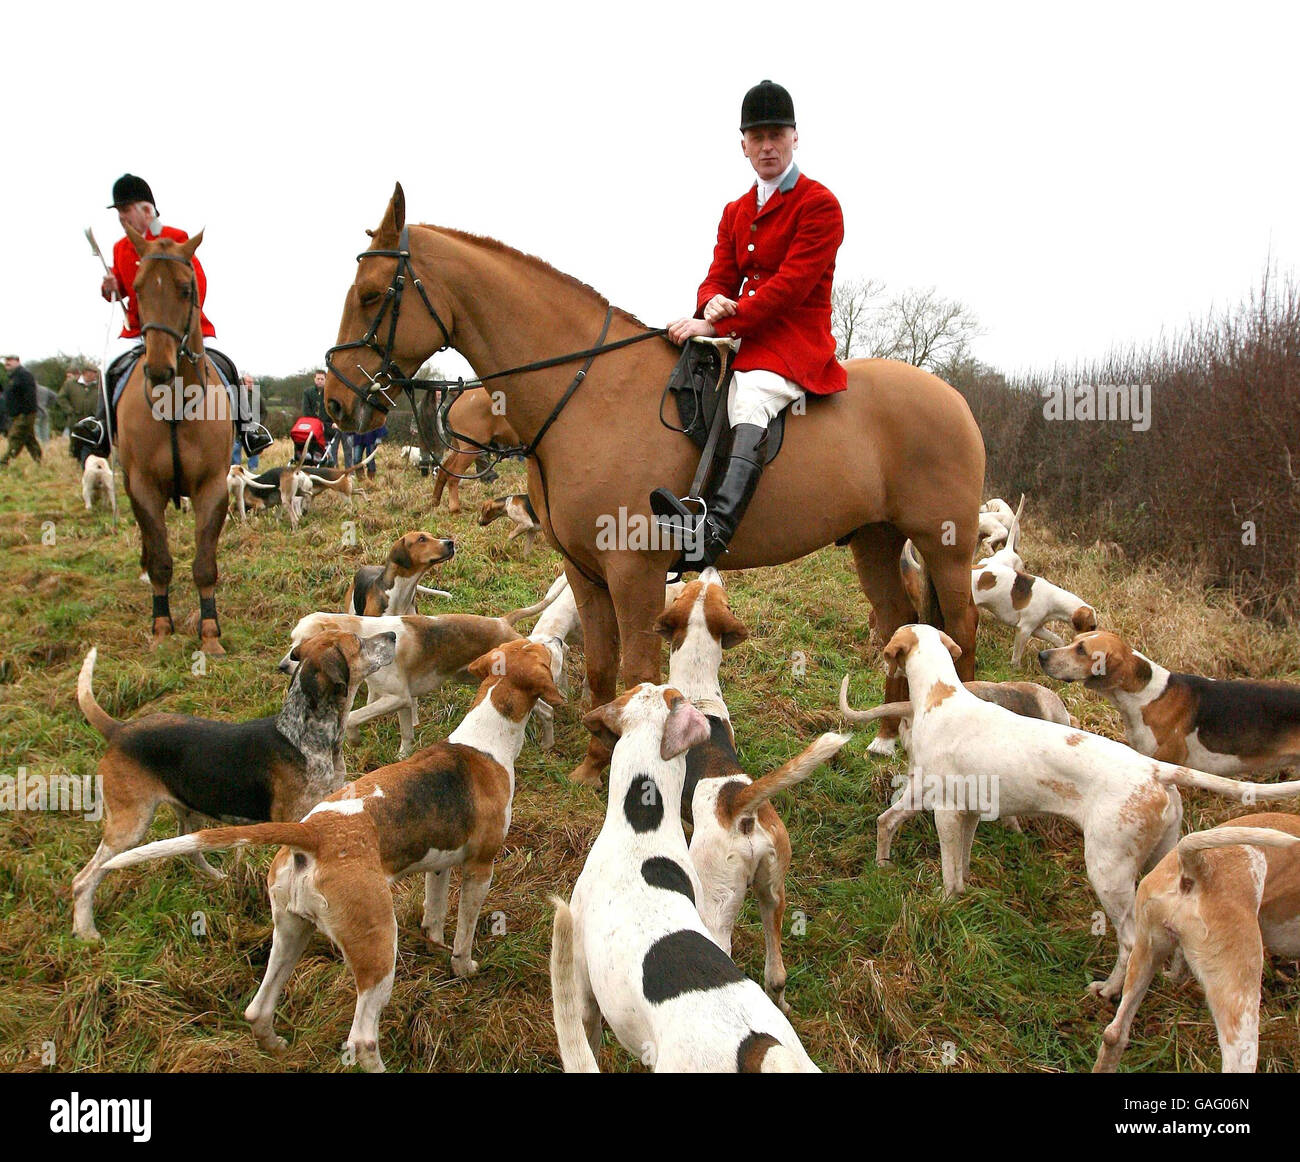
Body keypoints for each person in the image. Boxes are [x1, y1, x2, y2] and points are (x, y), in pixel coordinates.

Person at [650, 80, 846, 572]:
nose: (767, 145)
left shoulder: (819, 205)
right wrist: (708, 305)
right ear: (743, 146)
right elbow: (719, 275)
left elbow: (791, 287)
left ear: (795, 137)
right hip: (744, 333)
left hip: (794, 339)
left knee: (752, 395)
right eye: (757, 137)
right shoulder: (736, 212)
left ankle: (711, 532)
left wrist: (723, 319)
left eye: (776, 134)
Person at [71, 174, 272, 459]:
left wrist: (183, 322)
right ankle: (101, 426)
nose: (121, 217)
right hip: (140, 331)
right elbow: (124, 288)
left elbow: (198, 283)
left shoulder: (177, 238)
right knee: (110, 369)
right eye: (118, 212)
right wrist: (111, 287)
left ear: (146, 210)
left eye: (126, 210)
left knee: (228, 365)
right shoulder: (120, 248)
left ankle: (249, 428)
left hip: (185, 330)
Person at [0, 355, 42, 466]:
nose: (7, 363)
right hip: (17, 415)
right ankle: (38, 461)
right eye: (6, 360)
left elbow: (30, 396)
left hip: (24, 414)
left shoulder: (24, 375)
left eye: (10, 360)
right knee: (28, 438)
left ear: (17, 361)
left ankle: (4, 463)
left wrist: (25, 413)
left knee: (15, 437)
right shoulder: (13, 376)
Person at [302, 369, 350, 466]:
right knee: (322, 451)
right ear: (314, 379)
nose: (320, 381)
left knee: (341, 450)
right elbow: (307, 411)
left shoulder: (331, 393)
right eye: (318, 378)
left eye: (322, 379)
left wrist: (335, 421)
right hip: (315, 427)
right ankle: (330, 469)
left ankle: (346, 471)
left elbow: (335, 409)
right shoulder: (308, 392)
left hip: (331, 426)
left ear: (326, 379)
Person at [59, 368, 102, 464]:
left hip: (92, 420)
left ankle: (87, 463)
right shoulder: (70, 384)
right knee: (76, 442)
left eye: (95, 373)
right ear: (85, 373)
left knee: (91, 443)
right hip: (75, 418)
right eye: (92, 373)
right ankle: (77, 461)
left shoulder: (98, 385)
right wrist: (69, 410)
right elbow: (61, 398)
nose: (94, 375)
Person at [231, 373, 265, 470]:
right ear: (242, 382)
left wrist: (258, 424)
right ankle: (235, 469)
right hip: (238, 429)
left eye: (252, 382)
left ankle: (253, 470)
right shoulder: (235, 394)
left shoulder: (256, 395)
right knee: (235, 449)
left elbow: (264, 412)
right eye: (249, 382)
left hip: (252, 428)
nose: (251, 384)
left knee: (255, 449)